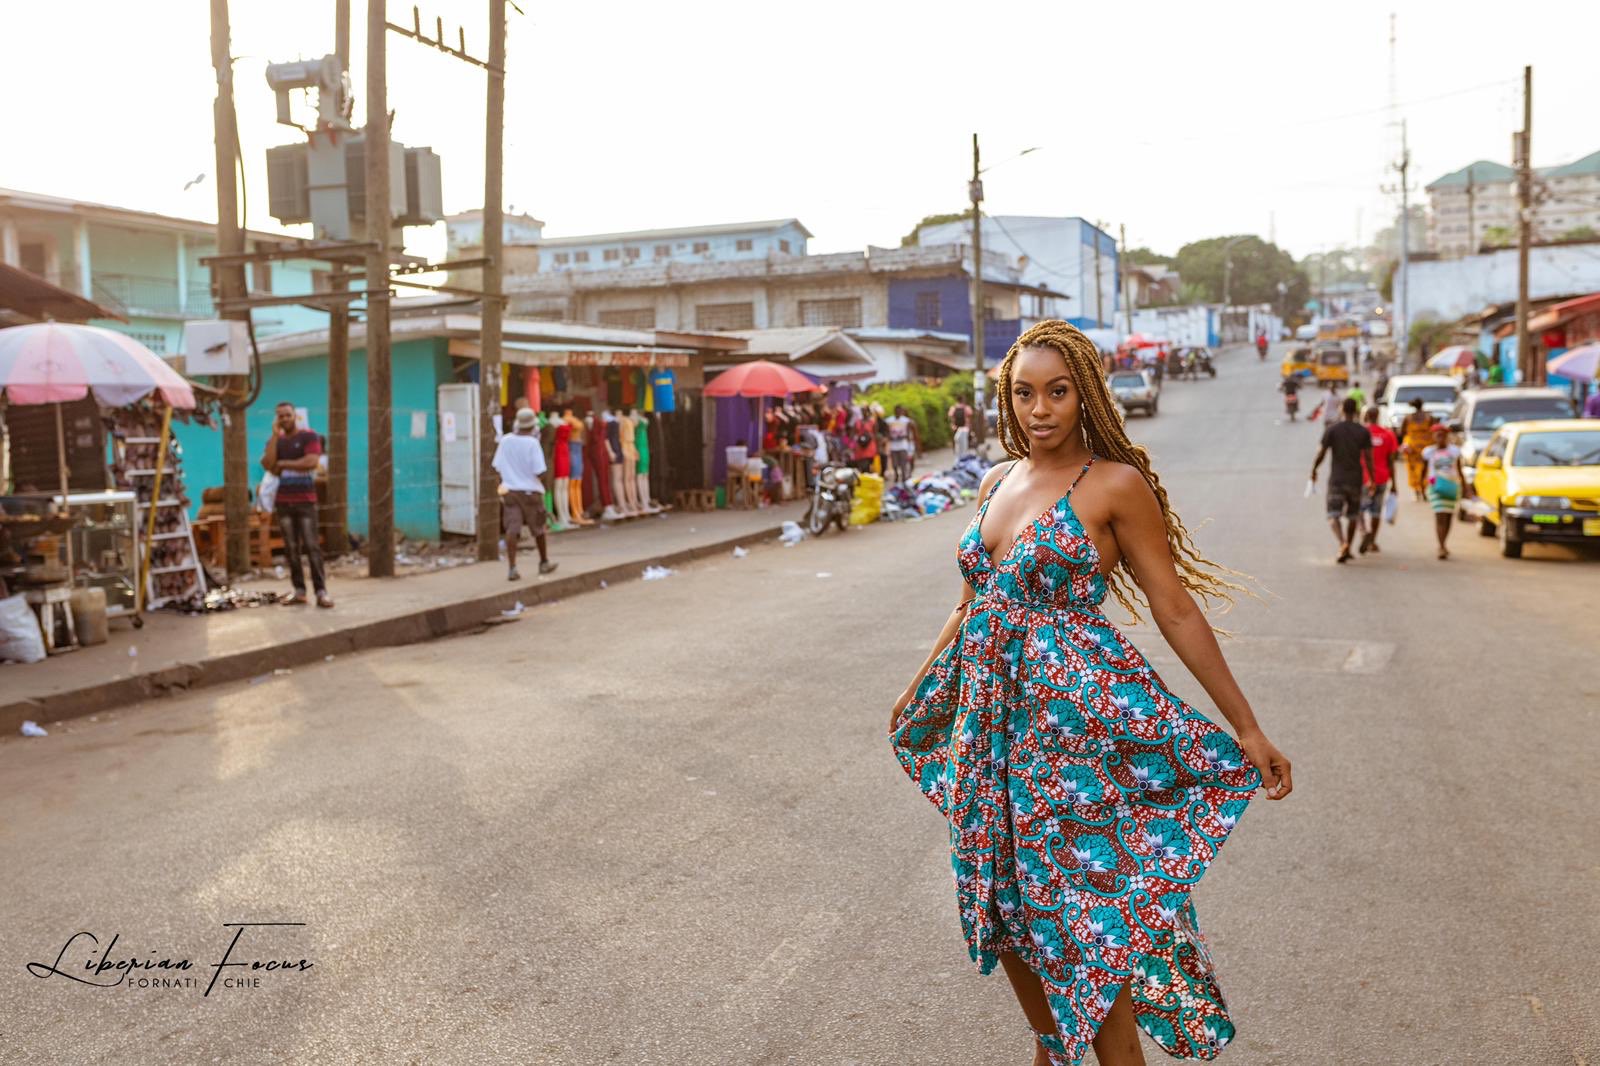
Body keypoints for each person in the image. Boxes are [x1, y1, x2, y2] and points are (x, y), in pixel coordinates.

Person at [888, 320, 1291, 1066]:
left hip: (1075, 744)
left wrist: (1247, 726)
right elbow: (974, 597)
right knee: (1006, 916)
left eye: (1058, 392)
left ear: (1085, 396)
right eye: (1024, 393)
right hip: (990, 734)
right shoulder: (995, 480)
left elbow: (1173, 608)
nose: (1040, 409)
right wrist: (917, 687)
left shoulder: (1113, 484)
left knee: (1083, 935)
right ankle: (1055, 1048)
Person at [261, 401, 332, 608]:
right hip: (283, 502)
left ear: (295, 416)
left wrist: (283, 464)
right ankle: (299, 590)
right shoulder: (277, 442)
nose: (284, 419)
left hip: (306, 502)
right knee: (291, 548)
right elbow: (268, 464)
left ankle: (321, 591)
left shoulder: (309, 436)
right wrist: (275, 437)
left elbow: (311, 461)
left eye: (287, 415)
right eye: (280, 416)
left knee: (312, 547)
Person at [492, 407, 558, 581]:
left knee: (512, 529)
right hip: (531, 492)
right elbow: (539, 471)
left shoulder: (505, 441)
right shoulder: (532, 444)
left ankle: (512, 567)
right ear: (533, 426)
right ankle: (543, 562)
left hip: (510, 492)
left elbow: (497, 467)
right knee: (538, 528)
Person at [1309, 396, 1375, 564]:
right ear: (1356, 411)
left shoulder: (1333, 429)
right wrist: (1372, 479)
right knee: (1353, 515)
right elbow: (1368, 458)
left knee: (1333, 515)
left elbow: (1321, 453)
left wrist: (1314, 470)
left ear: (1341, 409)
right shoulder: (1362, 431)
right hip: (1355, 479)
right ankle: (1348, 547)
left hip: (1337, 479)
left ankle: (1342, 543)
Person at [1420, 422, 1467, 560]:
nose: (1440, 438)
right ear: (1433, 436)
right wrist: (1422, 487)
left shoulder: (1454, 451)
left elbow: (1459, 470)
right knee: (1440, 515)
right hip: (1435, 487)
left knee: (1448, 516)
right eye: (1437, 435)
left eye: (1442, 435)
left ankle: (1444, 543)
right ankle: (1441, 546)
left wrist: (1465, 488)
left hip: (1451, 487)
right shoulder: (1428, 452)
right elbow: (1423, 471)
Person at [1359, 404, 1399, 553]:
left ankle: (1363, 532)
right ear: (1378, 416)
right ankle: (1372, 541)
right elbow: (1391, 462)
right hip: (1382, 478)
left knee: (1359, 509)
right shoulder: (1388, 435)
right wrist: (1394, 484)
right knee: (1376, 511)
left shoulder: (1360, 433)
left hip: (1363, 478)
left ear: (1366, 416)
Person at [1399, 397, 1435, 501]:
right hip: (1426, 447)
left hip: (1412, 448)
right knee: (1425, 469)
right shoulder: (1429, 417)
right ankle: (1423, 489)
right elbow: (1433, 431)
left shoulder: (1408, 418)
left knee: (1413, 470)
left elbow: (1402, 432)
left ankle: (1417, 491)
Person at [885, 404, 919, 484]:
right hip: (893, 446)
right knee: (895, 463)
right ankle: (897, 475)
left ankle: (904, 477)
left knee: (903, 462)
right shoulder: (889, 420)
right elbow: (886, 431)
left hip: (903, 445)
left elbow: (911, 433)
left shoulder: (907, 421)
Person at [849, 405, 879, 474]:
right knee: (861, 465)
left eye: (865, 411)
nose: (864, 412)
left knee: (867, 465)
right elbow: (852, 434)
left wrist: (878, 448)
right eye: (863, 411)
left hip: (870, 446)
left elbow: (875, 434)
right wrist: (851, 445)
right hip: (860, 445)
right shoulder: (857, 422)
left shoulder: (872, 422)